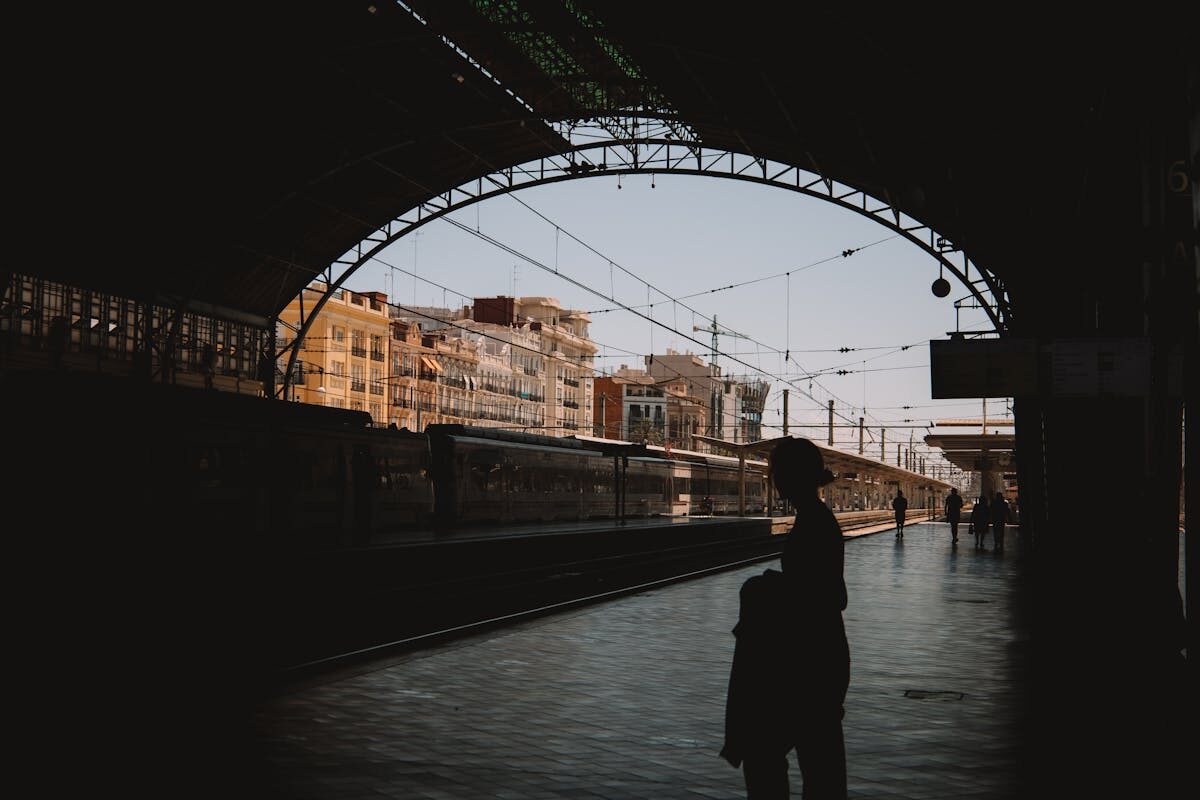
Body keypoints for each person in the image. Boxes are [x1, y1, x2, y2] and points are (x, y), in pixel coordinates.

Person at [721, 436, 850, 799]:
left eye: (776, 471)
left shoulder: (815, 522)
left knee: (770, 755)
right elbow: (828, 592)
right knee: (817, 762)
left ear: (790, 476)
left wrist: (765, 588)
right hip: (818, 656)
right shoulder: (815, 518)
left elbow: (827, 595)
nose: (773, 478)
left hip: (808, 661)